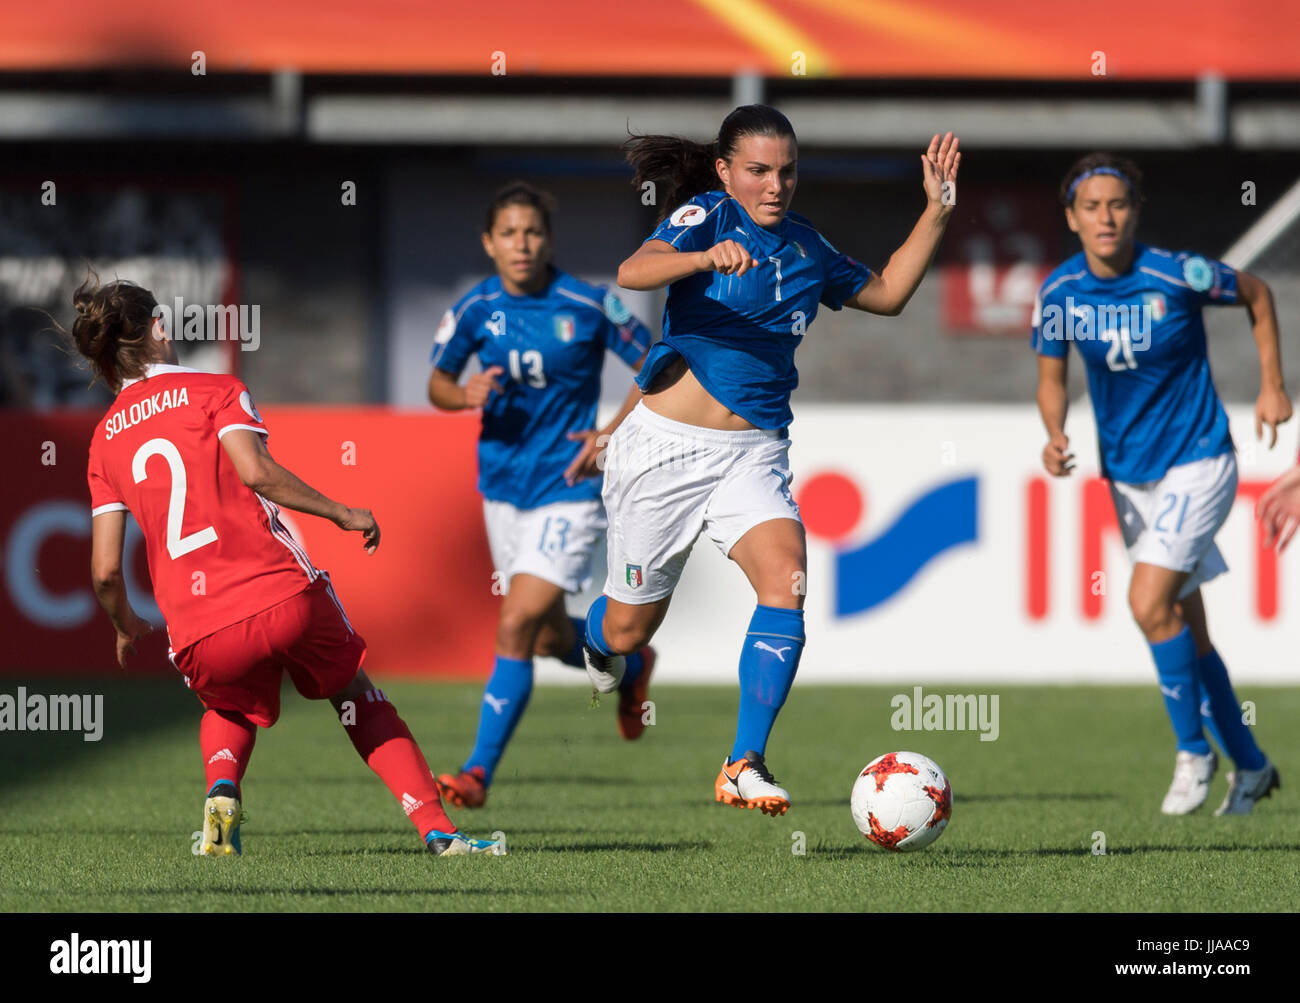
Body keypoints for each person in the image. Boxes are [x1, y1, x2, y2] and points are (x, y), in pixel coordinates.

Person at [580, 104, 960, 817]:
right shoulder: (708, 217)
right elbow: (636, 270)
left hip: (753, 452)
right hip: (663, 452)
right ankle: (598, 650)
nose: (774, 185)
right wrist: (700, 259)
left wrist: (936, 212)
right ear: (726, 172)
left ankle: (743, 761)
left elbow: (887, 292)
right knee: (627, 630)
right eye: (757, 170)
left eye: (786, 171)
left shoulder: (808, 249)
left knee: (787, 579)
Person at [76, 274, 499, 856]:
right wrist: (342, 511)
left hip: (198, 625)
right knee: (356, 696)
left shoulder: (102, 441)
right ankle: (438, 832)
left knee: (228, 703)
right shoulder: (215, 390)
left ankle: (222, 792)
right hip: (278, 594)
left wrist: (125, 624)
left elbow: (103, 571)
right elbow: (257, 473)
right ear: (159, 328)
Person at [1032, 152, 1288, 815]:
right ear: (1072, 217)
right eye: (1092, 207)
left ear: (1136, 211)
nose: (1106, 217)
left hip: (1200, 458)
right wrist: (1055, 433)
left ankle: (1193, 752)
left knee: (1147, 603)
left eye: (1118, 204)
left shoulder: (1176, 272)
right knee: (1186, 629)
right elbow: (1052, 378)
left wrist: (1271, 386)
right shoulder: (1059, 293)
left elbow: (1258, 293)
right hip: (1128, 476)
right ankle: (1253, 766)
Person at [428, 182, 654, 808]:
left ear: (549, 240)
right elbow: (438, 384)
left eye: (532, 232)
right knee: (551, 640)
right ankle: (633, 670)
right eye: (508, 233)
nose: (521, 244)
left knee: (516, 621)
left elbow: (659, 361)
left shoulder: (588, 303)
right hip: (501, 489)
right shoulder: (475, 309)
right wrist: (464, 394)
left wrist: (611, 434)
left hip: (569, 487)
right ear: (488, 243)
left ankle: (476, 772)